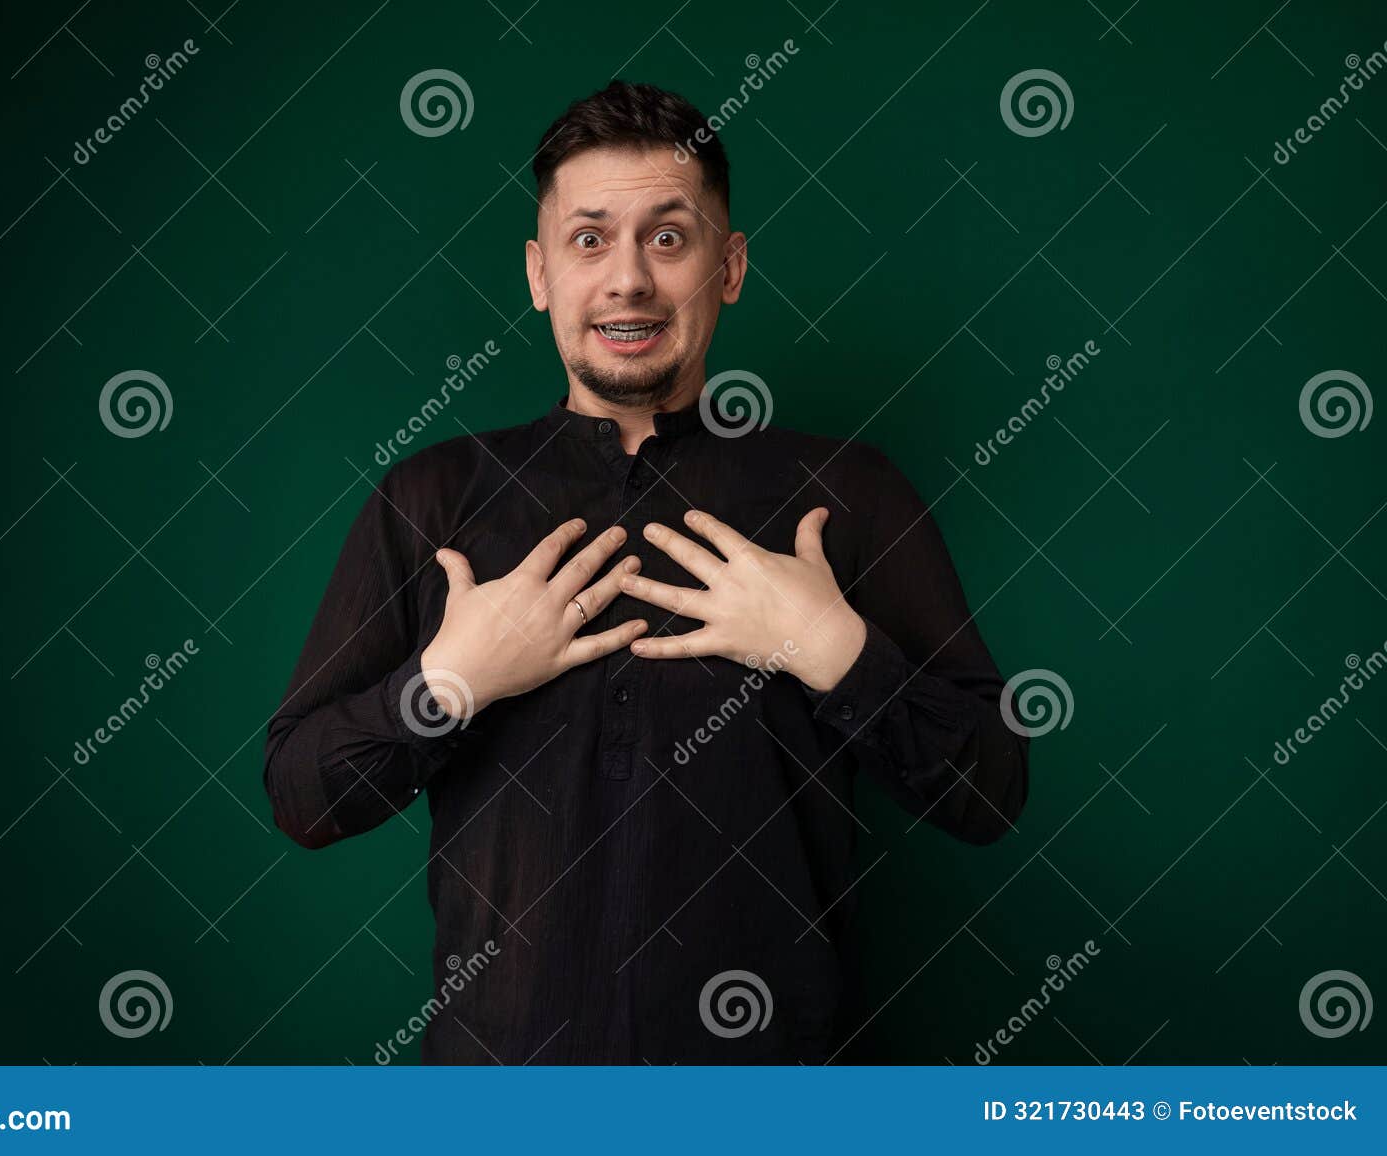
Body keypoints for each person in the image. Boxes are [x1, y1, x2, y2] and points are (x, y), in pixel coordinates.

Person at [264, 80, 1029, 1063]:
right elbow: (301, 793)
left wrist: (832, 649)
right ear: (540, 274)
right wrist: (447, 683)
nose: (627, 279)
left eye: (667, 238)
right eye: (589, 240)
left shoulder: (848, 495)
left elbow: (989, 790)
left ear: (730, 265)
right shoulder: (432, 500)